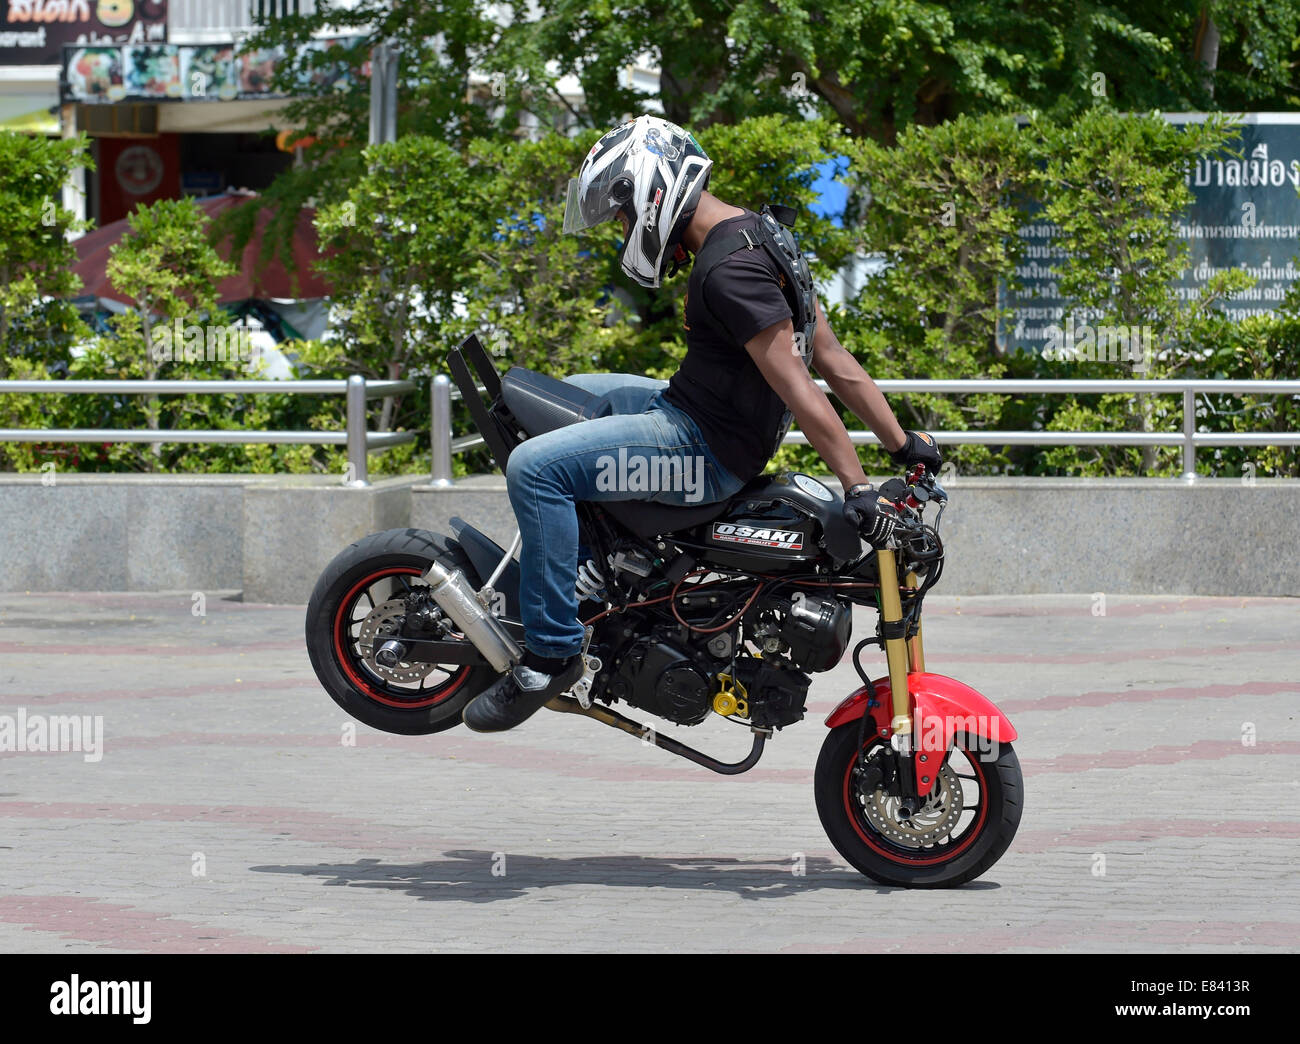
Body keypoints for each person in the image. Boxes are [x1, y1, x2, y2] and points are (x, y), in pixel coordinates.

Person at [463, 114, 941, 733]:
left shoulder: (726, 269)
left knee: (536, 467)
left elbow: (799, 384)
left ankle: (549, 654)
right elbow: (832, 356)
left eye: (622, 214)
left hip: (699, 450)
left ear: (651, 190)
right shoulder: (763, 236)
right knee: (564, 397)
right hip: (688, 410)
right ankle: (587, 571)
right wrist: (904, 445)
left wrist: (857, 488)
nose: (623, 230)